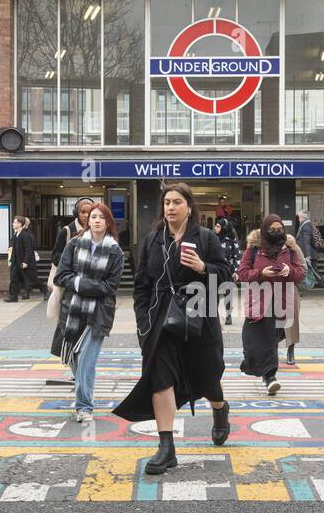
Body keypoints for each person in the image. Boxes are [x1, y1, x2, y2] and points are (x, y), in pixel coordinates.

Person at [113, 182, 231, 475]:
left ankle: (219, 408)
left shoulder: (205, 238)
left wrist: (204, 268)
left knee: (207, 379)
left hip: (198, 317)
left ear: (189, 207)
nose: (171, 207)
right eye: (167, 202)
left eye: (177, 202)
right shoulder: (153, 239)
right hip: (160, 321)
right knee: (159, 378)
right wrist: (143, 322)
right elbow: (141, 285)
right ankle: (166, 448)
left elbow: (227, 279)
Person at [53, 202, 124, 423]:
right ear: (87, 220)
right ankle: (83, 397)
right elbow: (61, 276)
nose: (96, 220)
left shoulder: (115, 251)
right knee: (74, 358)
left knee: (87, 360)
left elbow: (110, 287)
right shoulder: (74, 244)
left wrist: (80, 284)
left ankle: (84, 406)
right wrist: (86, 284)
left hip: (99, 313)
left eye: (101, 217)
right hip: (72, 311)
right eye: (93, 216)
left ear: (108, 222)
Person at [237, 214, 305, 395]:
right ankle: (258, 368)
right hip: (259, 301)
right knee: (252, 343)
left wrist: (289, 271)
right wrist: (261, 273)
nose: (277, 233)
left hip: (281, 302)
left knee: (270, 341)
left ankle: (270, 377)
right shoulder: (253, 249)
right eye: (272, 230)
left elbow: (300, 274)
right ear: (265, 230)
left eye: (280, 229)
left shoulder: (290, 249)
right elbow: (242, 273)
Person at [49, 197, 94, 359]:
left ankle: (78, 362)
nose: (87, 216)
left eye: (90, 212)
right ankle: (69, 359)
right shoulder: (67, 230)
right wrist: (73, 255)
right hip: (70, 285)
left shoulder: (96, 231)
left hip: (88, 286)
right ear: (76, 213)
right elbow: (54, 256)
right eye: (83, 212)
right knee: (68, 323)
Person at [296, 209, 324, 303]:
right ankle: (299, 292)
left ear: (303, 217)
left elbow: (306, 241)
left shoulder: (306, 226)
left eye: (299, 217)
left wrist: (307, 256)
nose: (298, 219)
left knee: (315, 273)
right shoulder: (307, 225)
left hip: (308, 256)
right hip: (308, 255)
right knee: (301, 273)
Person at [214, 217, 242, 326]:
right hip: (214, 271)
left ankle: (228, 316)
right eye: (215, 226)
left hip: (227, 272)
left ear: (224, 228)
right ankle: (213, 317)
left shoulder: (231, 240)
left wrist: (236, 271)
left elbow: (237, 256)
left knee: (227, 295)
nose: (215, 228)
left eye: (218, 226)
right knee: (213, 294)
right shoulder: (212, 238)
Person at [6, 216, 37, 302]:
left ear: (20, 224)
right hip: (15, 261)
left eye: (15, 222)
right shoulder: (16, 235)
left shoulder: (25, 235)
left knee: (31, 280)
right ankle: (13, 296)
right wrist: (10, 260)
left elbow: (29, 250)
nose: (13, 224)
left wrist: (25, 262)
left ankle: (44, 288)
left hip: (22, 262)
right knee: (13, 278)